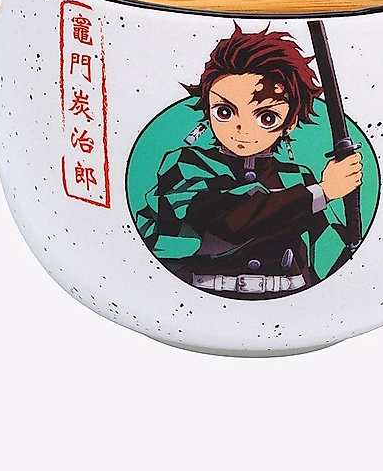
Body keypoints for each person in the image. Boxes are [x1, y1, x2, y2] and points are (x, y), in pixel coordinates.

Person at [135, 25, 363, 299]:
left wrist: (352, 249)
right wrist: (324, 192)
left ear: (289, 123)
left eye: (266, 117)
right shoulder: (186, 164)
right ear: (207, 111)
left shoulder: (297, 177)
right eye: (225, 111)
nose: (242, 129)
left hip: (290, 296)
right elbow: (228, 220)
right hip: (200, 294)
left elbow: (326, 245)